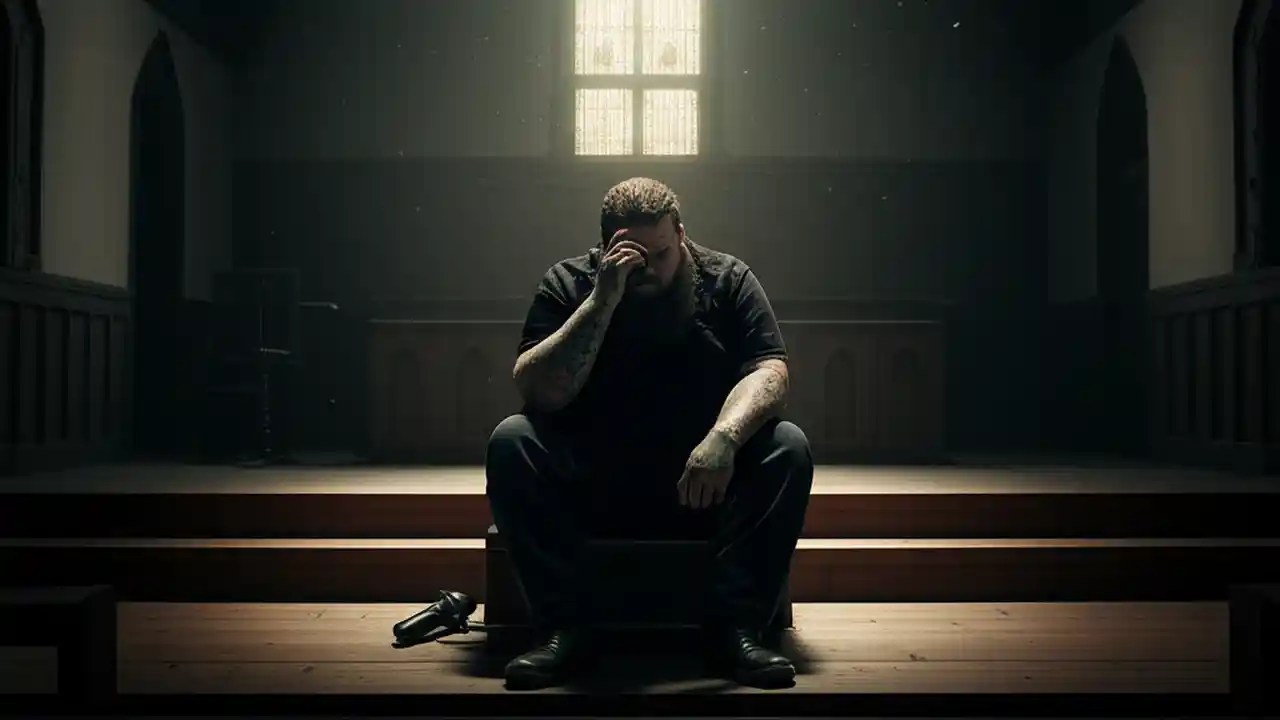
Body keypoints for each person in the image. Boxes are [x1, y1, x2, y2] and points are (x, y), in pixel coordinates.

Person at [485, 177, 813, 690]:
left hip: (703, 481)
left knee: (786, 447)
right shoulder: (569, 283)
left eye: (661, 254)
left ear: (681, 235)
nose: (651, 271)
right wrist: (600, 301)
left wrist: (724, 438)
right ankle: (562, 629)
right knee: (513, 440)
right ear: (605, 247)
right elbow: (537, 389)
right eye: (634, 258)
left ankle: (738, 630)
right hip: (596, 478)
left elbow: (771, 371)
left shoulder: (729, 279)